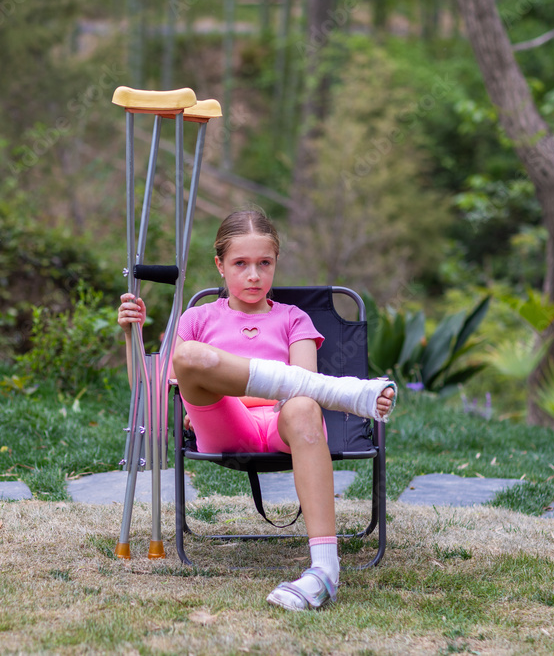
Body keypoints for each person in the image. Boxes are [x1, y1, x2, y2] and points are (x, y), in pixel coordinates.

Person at [117, 207, 396, 612]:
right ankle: (352, 394)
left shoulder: (293, 319)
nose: (253, 275)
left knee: (303, 403)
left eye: (264, 263)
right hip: (223, 422)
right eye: (240, 264)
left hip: (284, 427)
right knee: (191, 355)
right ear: (220, 265)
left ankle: (324, 570)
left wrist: (271, 392)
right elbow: (154, 401)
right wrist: (131, 337)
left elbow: (304, 393)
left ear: (276, 263)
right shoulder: (196, 319)